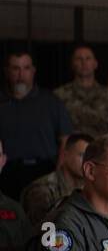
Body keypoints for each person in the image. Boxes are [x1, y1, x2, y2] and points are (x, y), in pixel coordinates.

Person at [0, 49, 73, 198]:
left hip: (44, 172)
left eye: (26, 68)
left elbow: (65, 140)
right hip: (6, 172)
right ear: (7, 71)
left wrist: (58, 173)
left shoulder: (51, 102)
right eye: (15, 68)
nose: (21, 75)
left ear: (33, 71)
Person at [21, 131, 92, 226]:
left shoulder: (89, 188)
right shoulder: (42, 190)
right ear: (65, 155)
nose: (86, 162)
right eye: (82, 155)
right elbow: (41, 228)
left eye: (89, 158)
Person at [54, 44, 108, 137]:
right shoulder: (59, 95)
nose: (84, 62)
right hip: (71, 145)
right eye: (79, 59)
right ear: (72, 64)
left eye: (88, 58)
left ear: (95, 64)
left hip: (101, 145)